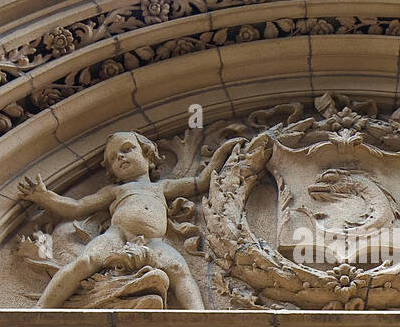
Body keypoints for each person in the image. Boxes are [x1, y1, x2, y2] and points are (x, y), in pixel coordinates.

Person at [17, 131, 238, 309]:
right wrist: (44, 197)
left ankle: (198, 317)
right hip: (118, 235)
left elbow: (201, 181)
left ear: (148, 155)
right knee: (85, 262)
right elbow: (78, 207)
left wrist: (223, 152)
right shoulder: (115, 190)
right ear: (111, 170)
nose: (120, 157)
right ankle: (42, 308)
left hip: (153, 240)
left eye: (127, 149)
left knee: (179, 269)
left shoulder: (161, 187)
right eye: (113, 158)